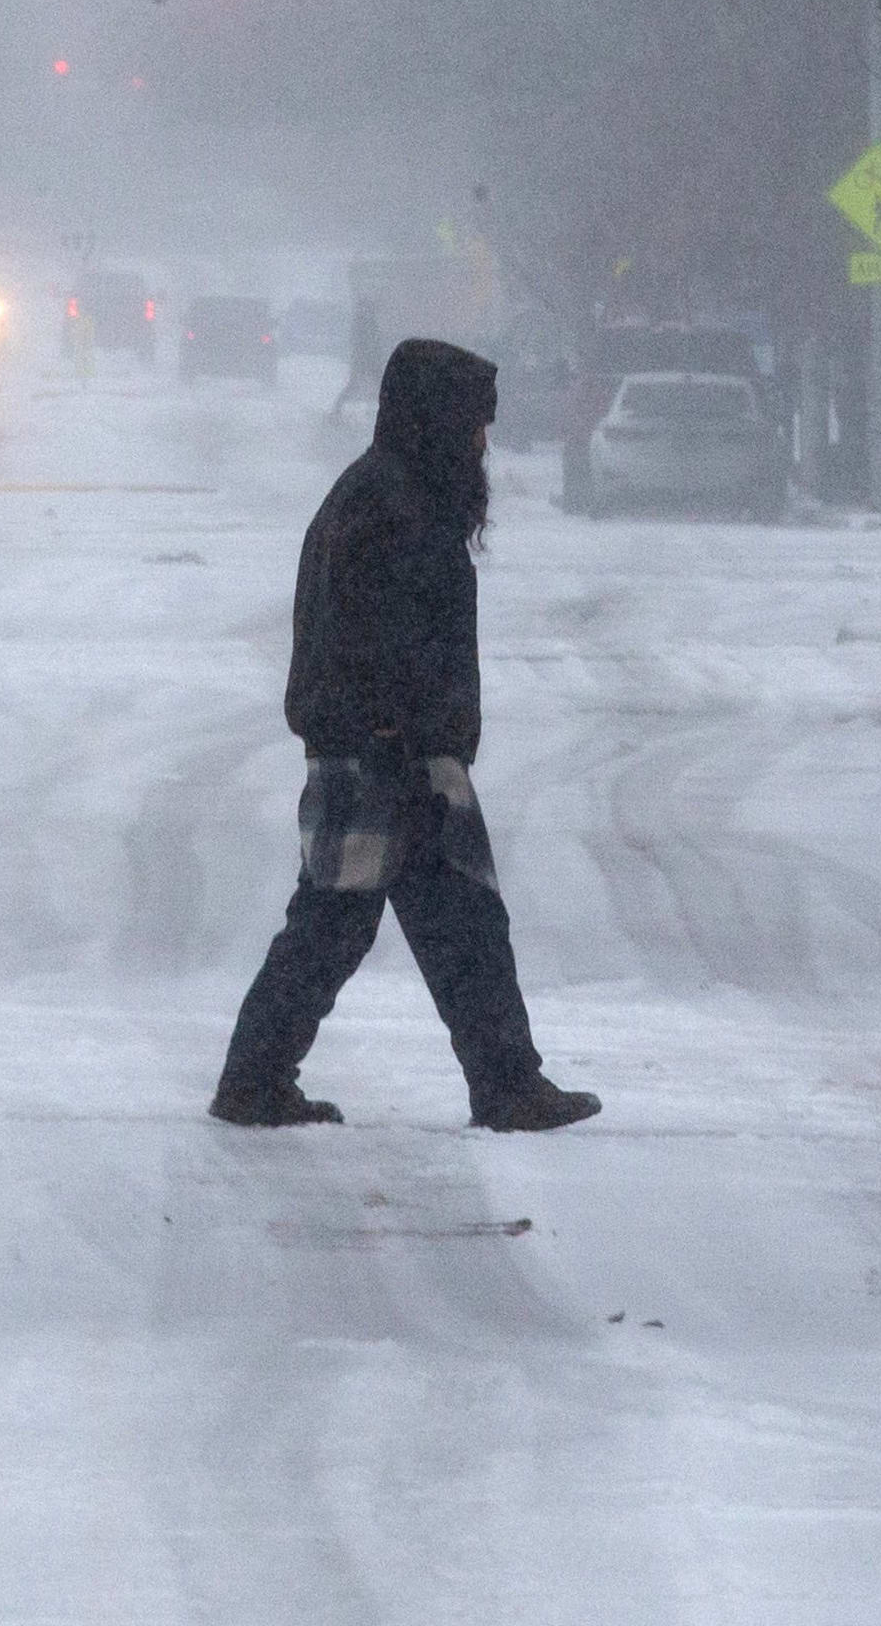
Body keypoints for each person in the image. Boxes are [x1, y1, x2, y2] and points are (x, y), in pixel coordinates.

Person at [209, 335, 602, 1134]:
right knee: (362, 926)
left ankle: (496, 1083)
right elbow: (376, 637)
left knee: (408, 925)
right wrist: (405, 734)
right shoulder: (393, 508)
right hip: (390, 756)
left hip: (390, 750)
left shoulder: (386, 494)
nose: (483, 444)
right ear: (438, 421)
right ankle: (496, 1085)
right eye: (474, 426)